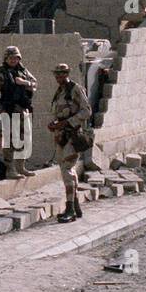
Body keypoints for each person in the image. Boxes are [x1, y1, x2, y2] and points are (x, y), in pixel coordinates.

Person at [48, 63, 93, 223]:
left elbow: (86, 111)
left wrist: (67, 123)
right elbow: (59, 113)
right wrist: (54, 124)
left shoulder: (75, 89)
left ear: (67, 73)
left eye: (62, 74)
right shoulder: (60, 91)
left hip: (72, 136)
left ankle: (70, 209)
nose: (59, 77)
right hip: (61, 137)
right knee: (67, 170)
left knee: (67, 169)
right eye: (57, 74)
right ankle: (74, 206)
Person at [0, 45, 38, 179]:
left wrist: (24, 82)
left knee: (25, 139)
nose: (13, 60)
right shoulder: (0, 73)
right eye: (10, 58)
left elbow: (35, 83)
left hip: (23, 110)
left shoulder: (23, 71)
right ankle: (10, 169)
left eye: (16, 58)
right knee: (10, 140)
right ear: (6, 59)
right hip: (9, 110)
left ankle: (21, 167)